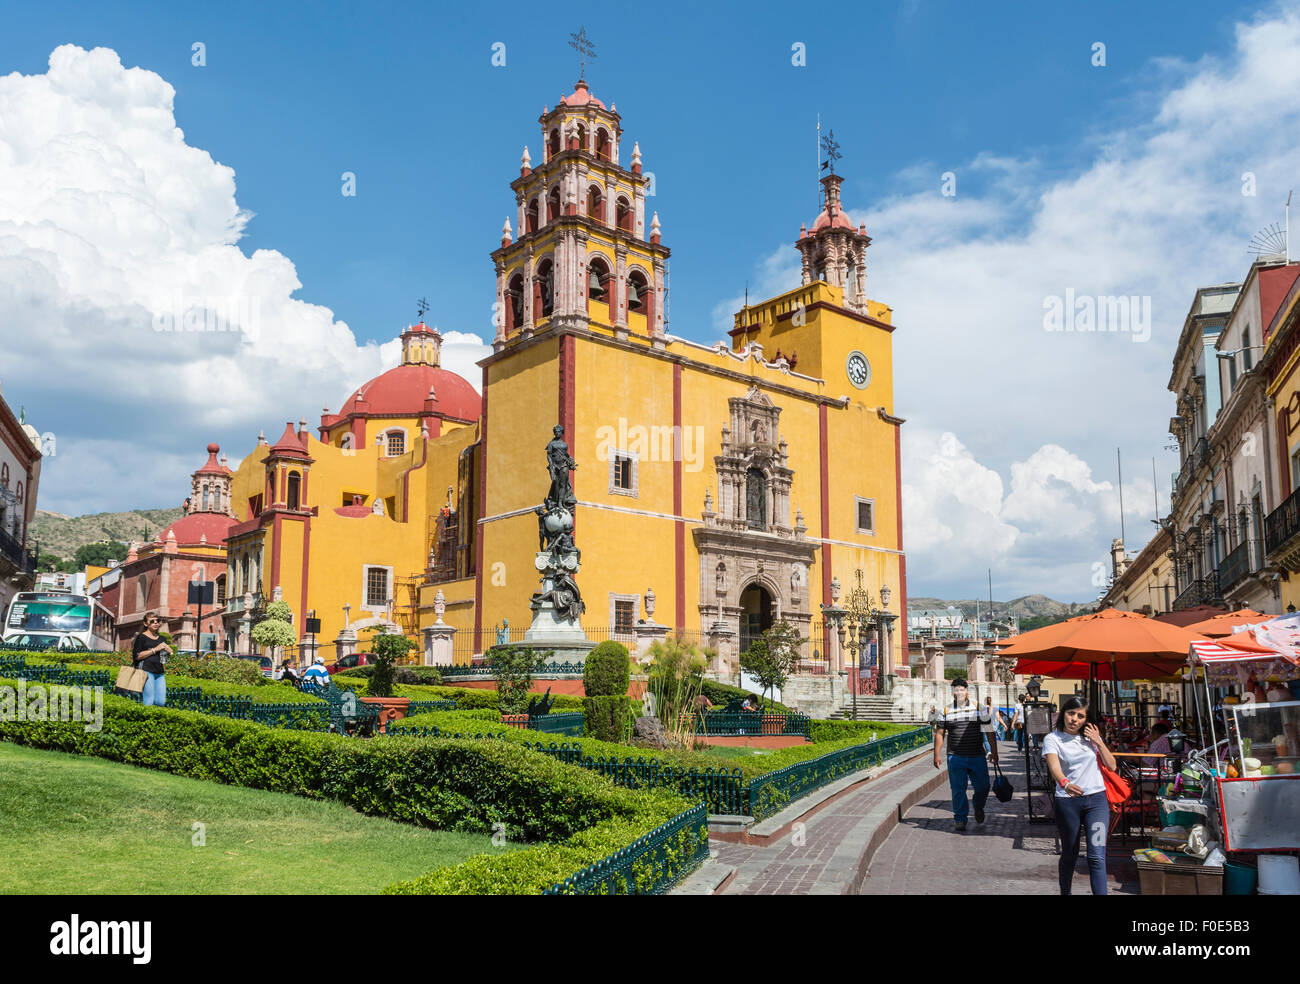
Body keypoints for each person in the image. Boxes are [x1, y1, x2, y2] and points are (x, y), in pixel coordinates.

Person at [1042, 695, 1117, 896]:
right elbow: (1054, 767)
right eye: (1071, 713)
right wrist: (1065, 783)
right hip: (1068, 803)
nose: (1075, 719)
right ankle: (1065, 892)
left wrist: (1099, 741)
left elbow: (1112, 765)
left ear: (1086, 719)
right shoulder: (1052, 738)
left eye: (1080, 715)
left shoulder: (1090, 739)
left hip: (1097, 802)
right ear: (1063, 714)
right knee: (1070, 853)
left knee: (1097, 856)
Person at [933, 678, 998, 832]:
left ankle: (978, 805)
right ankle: (960, 819)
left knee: (983, 787)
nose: (959, 692)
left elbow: (989, 731)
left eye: (962, 689)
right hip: (955, 756)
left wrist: (994, 752)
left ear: (967, 691)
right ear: (953, 692)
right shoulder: (946, 710)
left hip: (977, 756)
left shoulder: (979, 708)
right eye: (956, 689)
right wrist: (936, 754)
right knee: (958, 789)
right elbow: (940, 733)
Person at [131, 612, 170, 707]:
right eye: (152, 621)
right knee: (149, 701)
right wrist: (155, 649)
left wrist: (167, 653)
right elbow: (136, 656)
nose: (155, 623)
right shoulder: (141, 637)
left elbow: (164, 660)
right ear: (145, 624)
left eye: (158, 621)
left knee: (161, 702)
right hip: (146, 671)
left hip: (159, 672)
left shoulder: (162, 638)